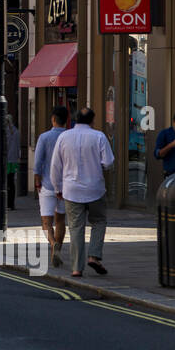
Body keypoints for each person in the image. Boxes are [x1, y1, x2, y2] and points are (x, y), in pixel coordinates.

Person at [49, 107, 114, 277]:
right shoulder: (99, 136)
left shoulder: (64, 137)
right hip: (95, 189)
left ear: (75, 120)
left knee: (76, 227)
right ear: (93, 120)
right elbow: (108, 162)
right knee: (98, 222)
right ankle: (93, 256)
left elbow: (55, 166)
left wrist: (57, 188)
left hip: (71, 190)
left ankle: (77, 268)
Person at [34, 106, 69, 268]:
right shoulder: (69, 137)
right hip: (65, 186)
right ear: (66, 120)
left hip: (47, 184)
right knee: (61, 220)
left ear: (53, 119)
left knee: (46, 221)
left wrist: (37, 180)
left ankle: (53, 243)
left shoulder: (44, 137)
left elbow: (38, 161)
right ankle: (58, 251)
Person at [5, 114, 21, 211]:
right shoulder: (16, 131)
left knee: (5, 182)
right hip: (14, 160)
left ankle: (6, 203)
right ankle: (12, 204)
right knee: (11, 182)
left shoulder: (4, 131)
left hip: (6, 160)